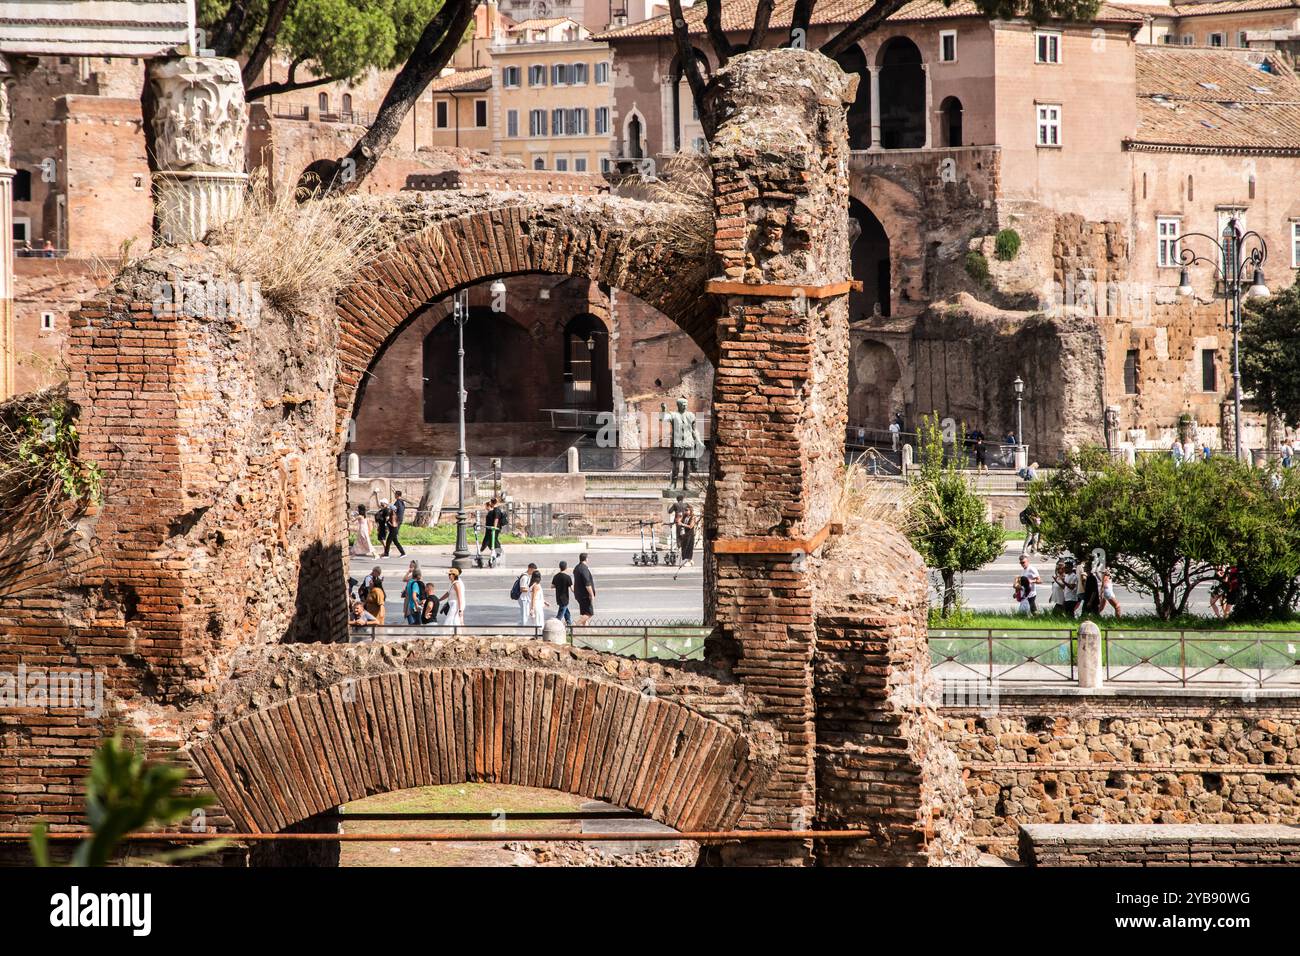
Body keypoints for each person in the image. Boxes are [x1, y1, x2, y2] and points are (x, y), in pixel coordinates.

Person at [573, 552, 596, 625]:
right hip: (584, 595)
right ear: (586, 559)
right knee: (589, 613)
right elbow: (587, 583)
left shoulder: (577, 567)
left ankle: (586, 630)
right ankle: (574, 626)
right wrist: (591, 594)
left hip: (578, 593)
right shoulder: (584, 569)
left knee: (584, 613)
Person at [383, 490, 407, 557]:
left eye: (395, 494)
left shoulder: (398, 502)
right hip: (399, 521)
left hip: (396, 522)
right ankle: (402, 552)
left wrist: (389, 505)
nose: (394, 495)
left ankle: (386, 554)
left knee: (390, 539)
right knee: (394, 539)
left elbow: (394, 509)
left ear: (397, 495)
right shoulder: (402, 502)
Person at [552, 560, 573, 625]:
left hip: (558, 597)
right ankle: (555, 625)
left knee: (566, 612)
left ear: (559, 567)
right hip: (565, 598)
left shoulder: (556, 576)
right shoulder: (567, 577)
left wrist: (558, 585)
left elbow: (552, 586)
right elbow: (572, 589)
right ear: (566, 567)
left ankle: (569, 624)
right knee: (560, 615)